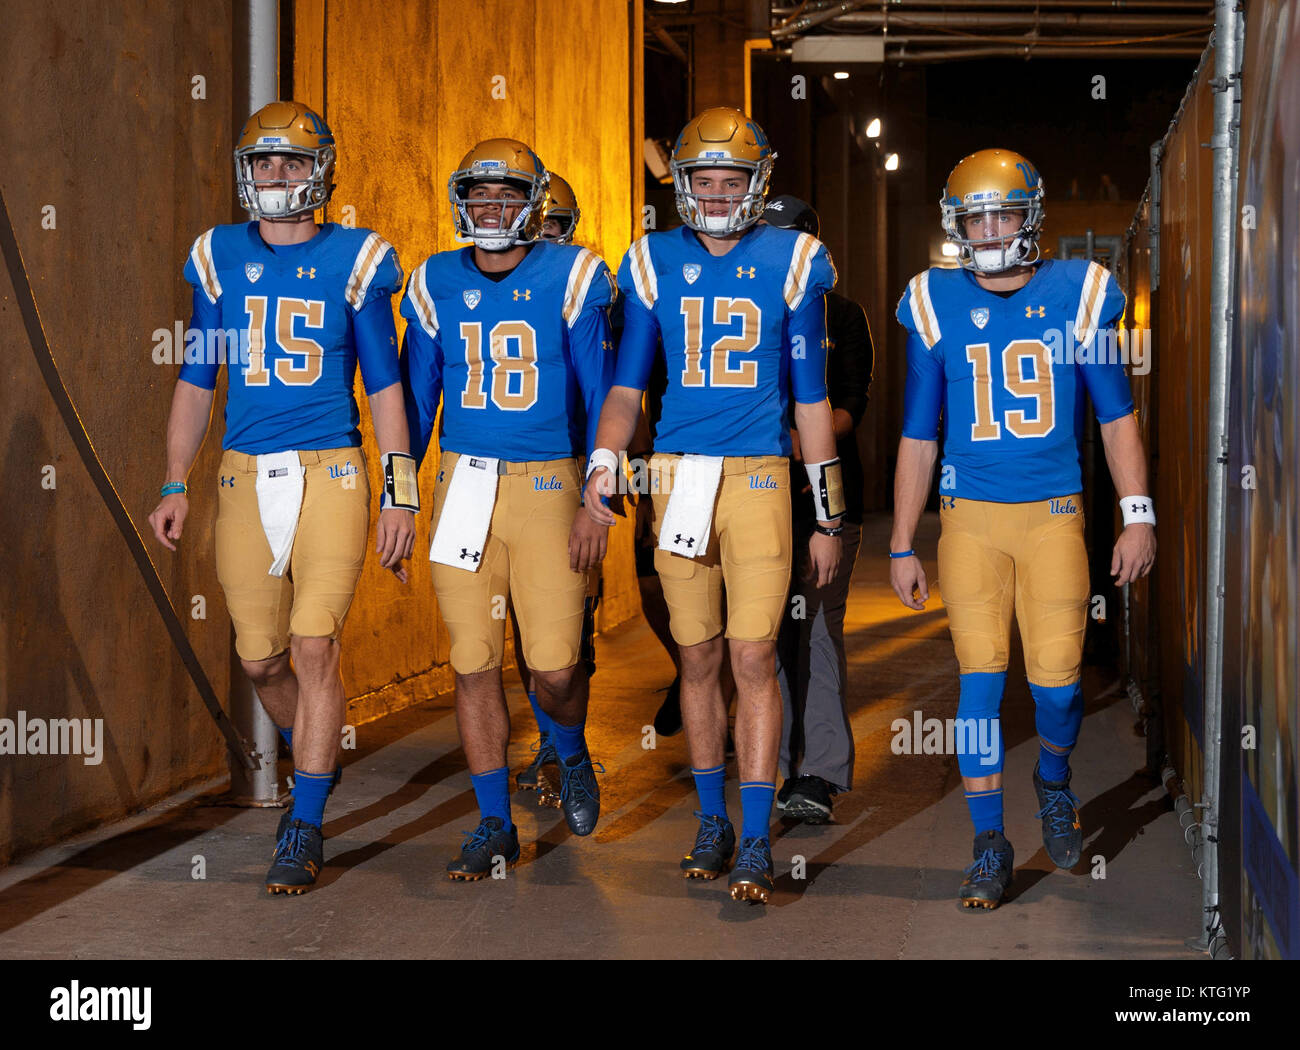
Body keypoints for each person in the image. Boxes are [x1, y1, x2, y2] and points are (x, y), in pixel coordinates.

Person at [148, 101, 416, 895]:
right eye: (264, 162)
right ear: (245, 171)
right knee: (260, 658)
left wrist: (400, 493)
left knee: (313, 645)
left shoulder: (356, 257)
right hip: (242, 470)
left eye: (292, 162)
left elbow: (388, 385)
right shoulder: (218, 255)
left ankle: (304, 819)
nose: (277, 175)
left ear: (321, 171)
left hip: (331, 469)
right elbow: (199, 379)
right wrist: (174, 480)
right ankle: (319, 754)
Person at [585, 107, 843, 904]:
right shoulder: (653, 261)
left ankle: (758, 836)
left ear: (756, 185)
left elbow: (811, 399)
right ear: (684, 184)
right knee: (695, 656)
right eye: (705, 179)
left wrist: (827, 512)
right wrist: (603, 461)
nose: (720, 193)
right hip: (677, 475)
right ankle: (710, 818)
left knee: (752, 655)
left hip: (761, 478)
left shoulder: (792, 260)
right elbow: (628, 384)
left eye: (733, 180)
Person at [890, 148, 1156, 909]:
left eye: (1003, 212)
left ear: (1032, 216)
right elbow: (917, 432)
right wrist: (903, 539)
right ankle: (988, 843)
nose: (990, 228)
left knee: (1059, 686)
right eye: (975, 216)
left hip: (1054, 515)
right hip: (969, 519)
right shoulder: (934, 300)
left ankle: (1054, 779)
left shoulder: (1080, 293)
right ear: (956, 225)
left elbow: (1114, 414)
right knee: (978, 687)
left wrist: (1138, 514)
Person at [400, 139, 615, 879]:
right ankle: (494, 822)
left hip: (548, 482)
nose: (490, 209)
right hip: (463, 484)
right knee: (473, 661)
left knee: (554, 664)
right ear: (462, 200)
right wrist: (399, 499)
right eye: (479, 195)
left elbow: (601, 393)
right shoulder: (432, 278)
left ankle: (571, 747)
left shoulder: (574, 273)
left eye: (506, 195)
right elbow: (415, 403)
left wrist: (600, 494)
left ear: (534, 204)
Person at [761, 196, 874, 824]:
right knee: (761, 635)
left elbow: (852, 402)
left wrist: (805, 442)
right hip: (757, 495)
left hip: (826, 497)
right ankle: (770, 766)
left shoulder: (845, 314)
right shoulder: (744, 303)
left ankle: (818, 773)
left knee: (819, 630)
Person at [512, 170, 601, 806]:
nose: (544, 237)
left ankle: (566, 741)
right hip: (514, 477)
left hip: (576, 469)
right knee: (525, 625)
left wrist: (616, 482)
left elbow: (619, 395)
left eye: (555, 227)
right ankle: (551, 738)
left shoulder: (586, 289)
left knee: (572, 631)